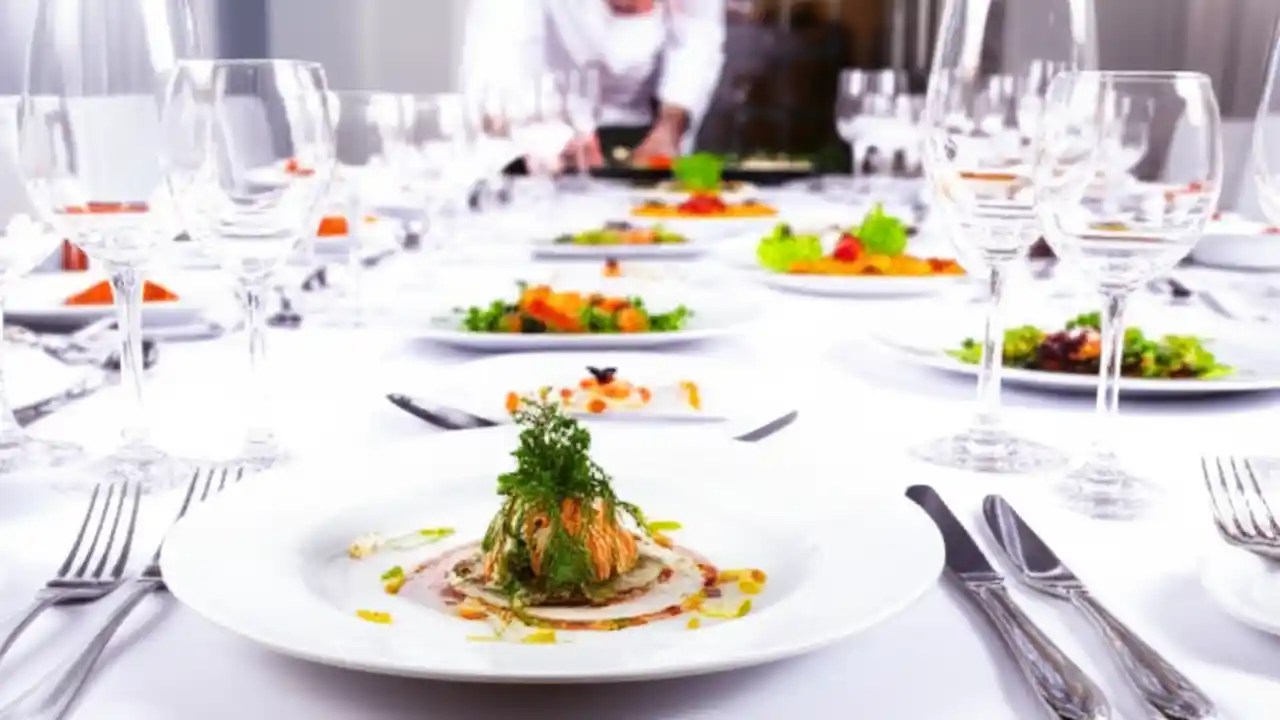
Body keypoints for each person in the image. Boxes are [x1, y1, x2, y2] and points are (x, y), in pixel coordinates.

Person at [459, 0, 726, 166]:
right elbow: (493, 81)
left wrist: (670, 126)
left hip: (647, 137)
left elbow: (697, 39)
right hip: (540, 150)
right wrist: (551, 136)